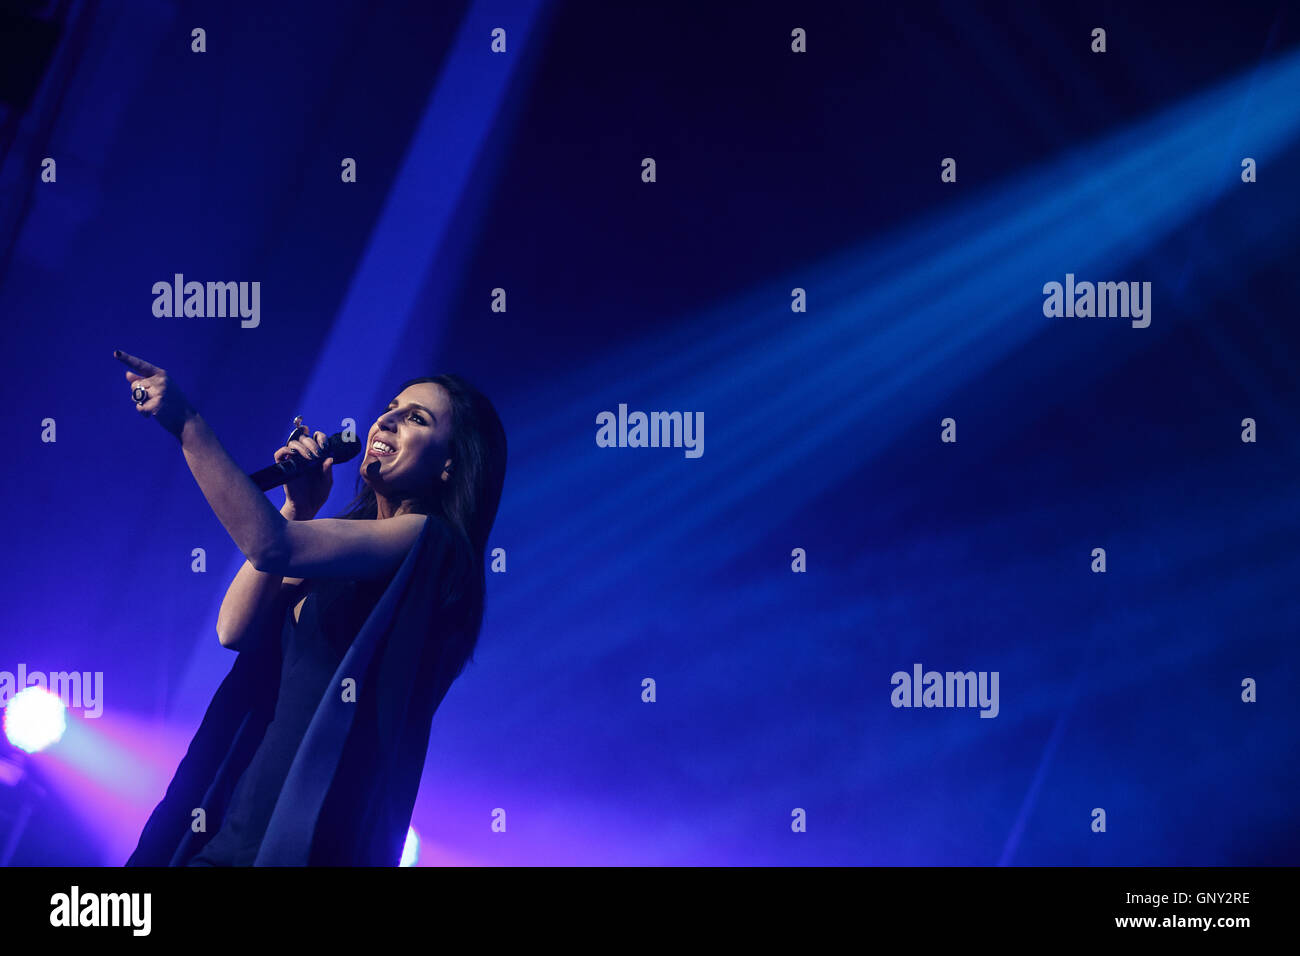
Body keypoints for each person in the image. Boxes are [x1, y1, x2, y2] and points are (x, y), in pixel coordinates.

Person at [115, 350, 507, 866]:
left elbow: (272, 545)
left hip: (302, 842)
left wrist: (188, 423)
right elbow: (234, 629)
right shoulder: (347, 545)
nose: (386, 419)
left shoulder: (431, 544)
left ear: (451, 463)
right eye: (391, 407)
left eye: (416, 418)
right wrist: (297, 508)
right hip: (225, 830)